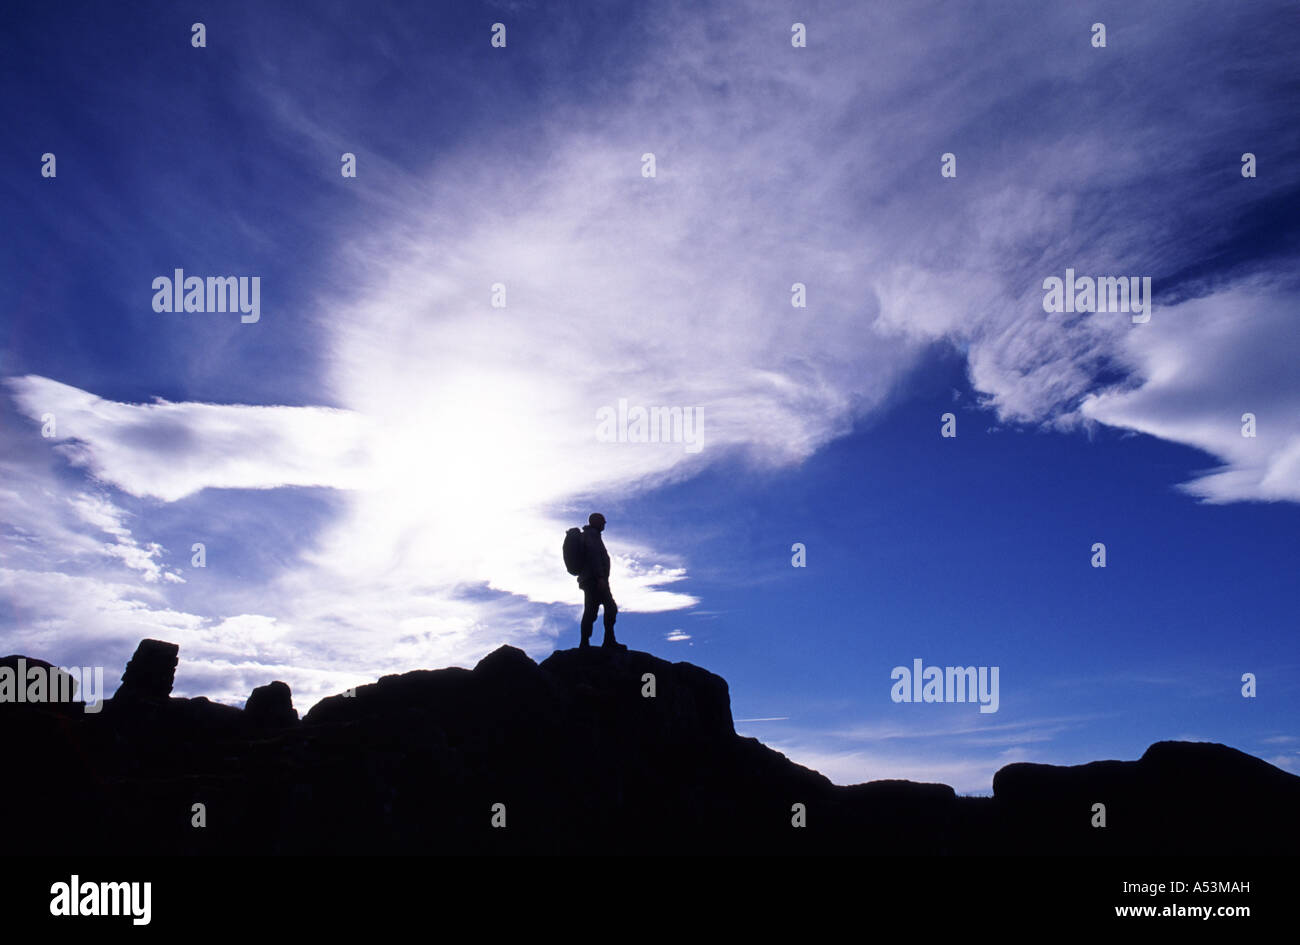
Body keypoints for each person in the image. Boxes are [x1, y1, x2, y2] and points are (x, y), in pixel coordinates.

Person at [578, 513, 623, 649]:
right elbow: (594, 556)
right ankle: (603, 641)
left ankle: (589, 642)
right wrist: (600, 578)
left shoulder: (592, 535)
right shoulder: (591, 535)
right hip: (595, 580)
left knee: (592, 611)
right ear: (596, 522)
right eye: (602, 521)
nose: (604, 524)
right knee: (608, 608)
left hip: (593, 579)